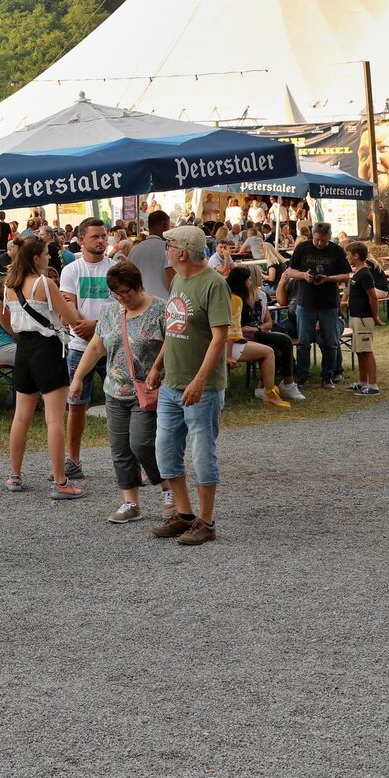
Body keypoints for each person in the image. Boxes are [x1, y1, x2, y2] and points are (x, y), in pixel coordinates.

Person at [148, 225, 231, 546]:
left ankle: (206, 522)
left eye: (169, 246)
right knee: (165, 449)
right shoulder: (178, 280)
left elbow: (220, 337)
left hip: (202, 388)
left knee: (201, 452)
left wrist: (200, 380)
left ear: (182, 252)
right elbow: (174, 328)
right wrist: (158, 366)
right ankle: (184, 514)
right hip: (172, 383)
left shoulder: (214, 284)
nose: (166, 251)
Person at [68, 259, 166, 523]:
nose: (121, 298)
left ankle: (168, 488)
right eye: (116, 294)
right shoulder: (111, 312)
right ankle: (131, 503)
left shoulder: (160, 309)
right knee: (120, 449)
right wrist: (78, 378)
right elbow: (96, 347)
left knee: (142, 443)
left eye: (126, 292)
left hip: (147, 391)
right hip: (115, 390)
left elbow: (174, 345)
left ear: (139, 286)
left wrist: (158, 368)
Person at [1, 235, 84, 499]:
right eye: (47, 253)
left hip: (23, 349)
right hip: (47, 349)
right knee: (54, 419)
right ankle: (60, 481)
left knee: (21, 416)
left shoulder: (9, 285)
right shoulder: (44, 283)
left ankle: (15, 474)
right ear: (36, 258)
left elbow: (11, 321)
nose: (50, 257)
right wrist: (69, 305)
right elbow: (71, 319)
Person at [57, 217, 115, 480]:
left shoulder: (115, 269)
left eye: (104, 235)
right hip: (80, 345)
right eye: (95, 236)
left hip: (112, 345)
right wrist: (84, 326)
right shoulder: (72, 270)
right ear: (81, 240)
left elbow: (123, 307)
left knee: (124, 403)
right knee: (76, 403)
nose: (101, 240)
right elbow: (68, 305)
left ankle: (132, 461)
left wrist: (97, 326)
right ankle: (74, 459)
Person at [285, 220, 351, 390]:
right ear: (311, 236)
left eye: (323, 240)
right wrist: (303, 275)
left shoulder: (337, 251)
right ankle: (302, 377)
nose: (319, 243)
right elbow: (290, 271)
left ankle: (327, 376)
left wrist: (328, 279)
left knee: (330, 342)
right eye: (316, 239)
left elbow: (346, 276)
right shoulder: (302, 248)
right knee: (303, 342)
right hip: (306, 302)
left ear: (329, 237)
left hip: (329, 304)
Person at [224, 265, 294, 407]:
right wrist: (228, 356)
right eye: (248, 280)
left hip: (220, 342)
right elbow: (231, 330)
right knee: (268, 352)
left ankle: (270, 388)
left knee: (274, 347)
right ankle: (269, 393)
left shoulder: (226, 296)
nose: (250, 283)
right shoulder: (236, 299)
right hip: (228, 345)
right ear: (242, 282)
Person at [344, 241, 387, 395]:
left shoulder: (365, 274)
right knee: (359, 351)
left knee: (367, 351)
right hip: (355, 316)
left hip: (363, 318)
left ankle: (373, 385)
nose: (347, 257)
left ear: (356, 256)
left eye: (348, 254)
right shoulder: (357, 273)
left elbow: (373, 297)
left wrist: (375, 317)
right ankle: (362, 382)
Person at [126, 210, 173, 302]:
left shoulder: (134, 250)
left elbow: (128, 278)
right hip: (163, 302)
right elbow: (171, 280)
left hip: (140, 302)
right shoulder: (167, 248)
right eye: (169, 226)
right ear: (165, 226)